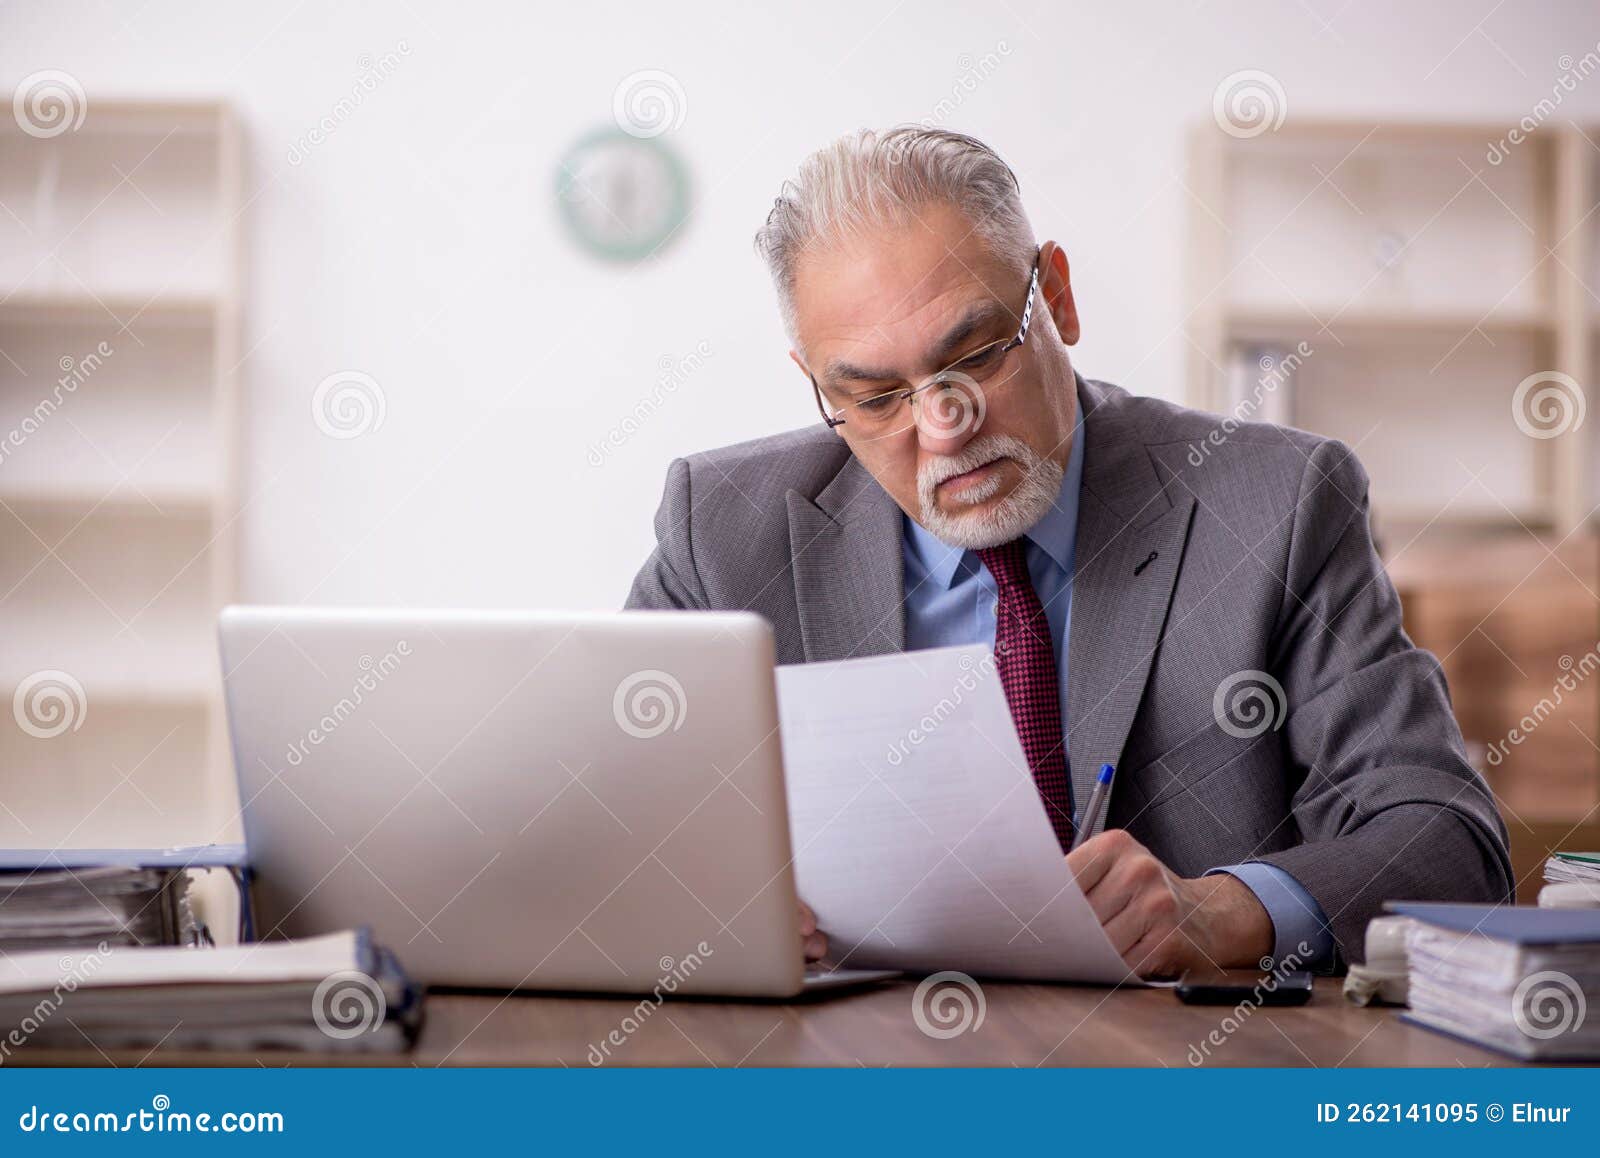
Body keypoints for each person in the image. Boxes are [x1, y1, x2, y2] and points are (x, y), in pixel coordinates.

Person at [626, 127, 1512, 978]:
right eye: (877, 397)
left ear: (1056, 297)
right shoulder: (724, 532)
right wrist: (691, 900)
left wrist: (1225, 911)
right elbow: (602, 821)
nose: (944, 430)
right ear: (818, 384)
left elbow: (1445, 839)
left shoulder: (1275, 505)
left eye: (975, 357)